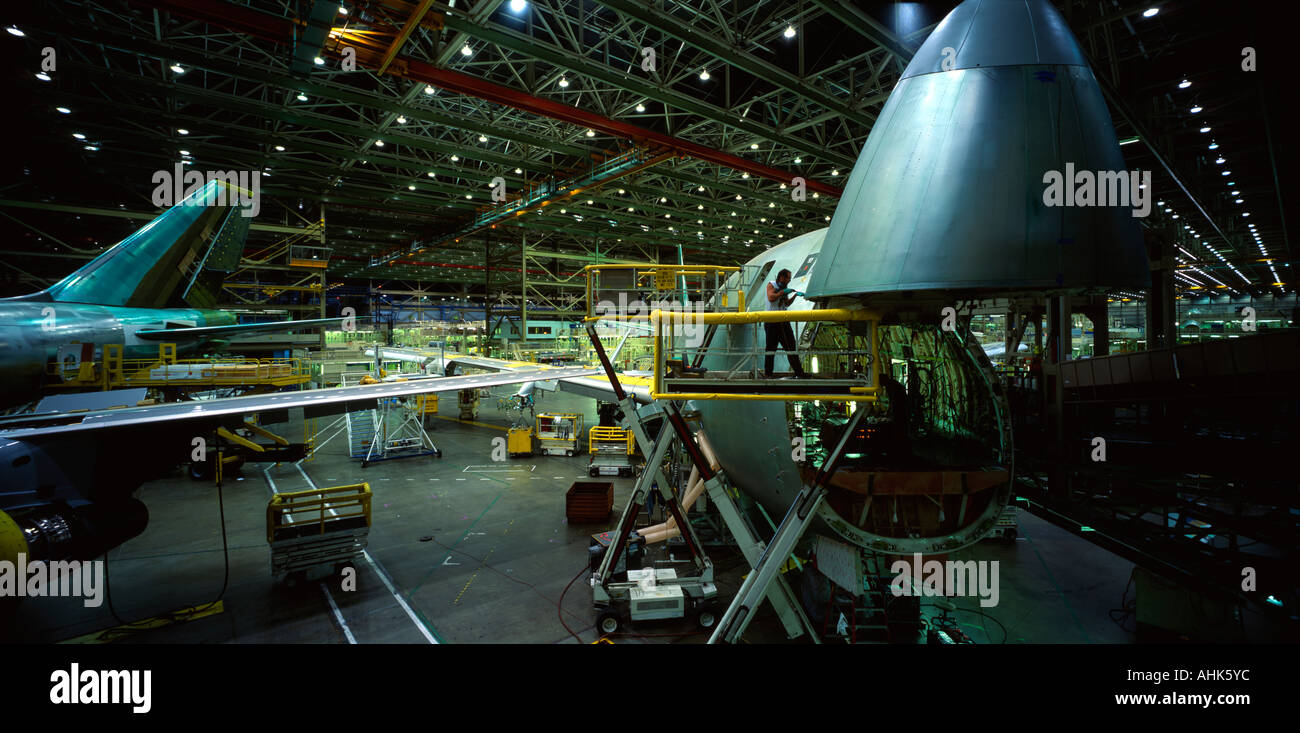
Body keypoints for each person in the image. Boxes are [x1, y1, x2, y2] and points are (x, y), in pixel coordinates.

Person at [764, 269, 806, 378]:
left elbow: (786, 304)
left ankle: (799, 373)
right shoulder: (771, 285)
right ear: (782, 277)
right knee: (770, 349)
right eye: (788, 278)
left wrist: (795, 295)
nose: (789, 280)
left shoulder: (783, 288)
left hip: (783, 321)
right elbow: (771, 298)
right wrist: (782, 293)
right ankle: (768, 374)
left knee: (791, 347)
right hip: (772, 321)